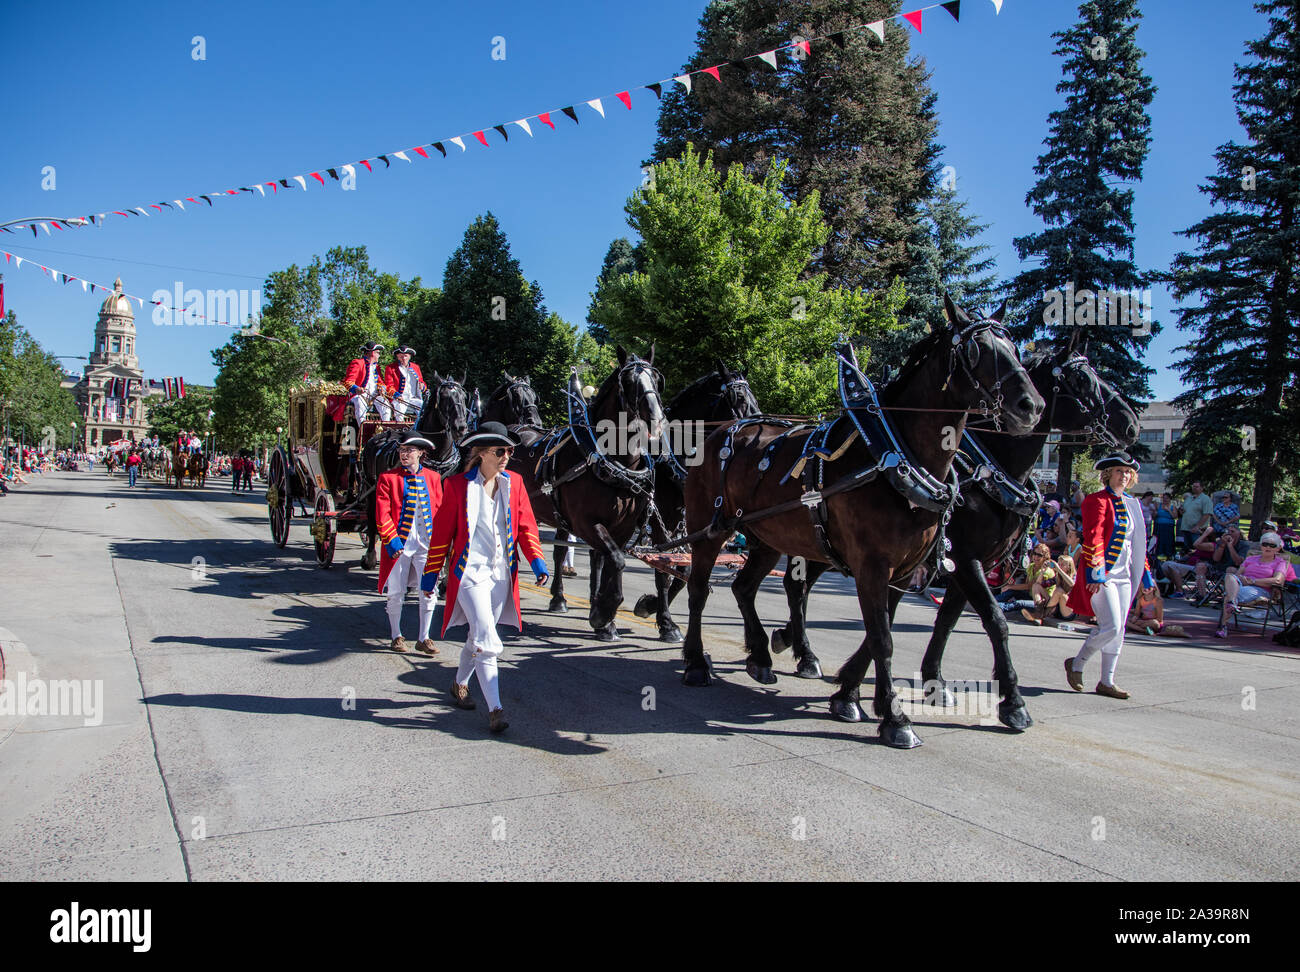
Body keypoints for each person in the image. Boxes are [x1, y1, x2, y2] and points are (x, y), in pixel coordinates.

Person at [422, 421, 548, 734]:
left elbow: (526, 527)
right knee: (487, 640)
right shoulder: (456, 486)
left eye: (509, 450)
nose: (506, 455)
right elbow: (442, 534)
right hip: (468, 572)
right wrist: (430, 574)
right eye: (500, 450)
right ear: (482, 454)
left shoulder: (515, 483)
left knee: (477, 636)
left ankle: (458, 684)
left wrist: (537, 561)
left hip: (501, 573)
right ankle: (496, 709)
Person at [1064, 453, 1155, 700]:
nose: (1123, 476)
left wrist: (1146, 578)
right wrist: (1095, 573)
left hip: (1126, 575)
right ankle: (1078, 663)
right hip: (1103, 574)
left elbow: (1138, 545)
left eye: (1127, 472)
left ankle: (1107, 681)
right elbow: (1092, 537)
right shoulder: (1096, 500)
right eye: (1118, 471)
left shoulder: (1132, 503)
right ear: (1108, 474)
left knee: (1119, 629)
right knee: (1112, 626)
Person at [375, 429, 444, 655]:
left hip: (426, 544)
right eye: (402, 450)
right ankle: (396, 635)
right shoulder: (388, 478)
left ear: (421, 453)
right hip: (399, 545)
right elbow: (382, 514)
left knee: (429, 590)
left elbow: (439, 511)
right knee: (396, 592)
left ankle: (424, 637)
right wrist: (392, 541)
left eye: (409, 450)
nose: (404, 454)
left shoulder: (433, 478)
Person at [1216, 531, 1290, 638]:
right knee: (1229, 576)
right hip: (1242, 585)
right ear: (1261, 546)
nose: (1268, 547)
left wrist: (1253, 581)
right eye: (1265, 544)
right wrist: (1242, 579)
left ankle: (1223, 626)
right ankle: (1232, 603)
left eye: (1272, 545)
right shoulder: (1250, 559)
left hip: (1261, 590)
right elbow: (1237, 575)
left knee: (1229, 594)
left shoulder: (1280, 562)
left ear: (1277, 549)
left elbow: (1277, 580)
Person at [344, 341, 392, 427]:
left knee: (386, 405)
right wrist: (357, 389)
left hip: (374, 396)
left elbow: (381, 383)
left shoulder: (376, 367)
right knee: (360, 403)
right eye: (377, 353)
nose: (379, 355)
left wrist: (382, 389)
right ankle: (363, 431)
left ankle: (386, 430)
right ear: (371, 352)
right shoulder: (358, 363)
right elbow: (348, 382)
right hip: (359, 395)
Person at [384, 346, 427, 420]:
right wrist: (397, 395)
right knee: (399, 410)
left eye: (405, 356)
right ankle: (401, 429)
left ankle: (420, 429)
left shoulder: (415, 367)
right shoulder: (390, 368)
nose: (403, 358)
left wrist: (422, 386)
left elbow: (421, 382)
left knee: (423, 407)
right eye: (401, 356)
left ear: (409, 356)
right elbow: (389, 386)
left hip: (413, 398)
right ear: (397, 357)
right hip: (399, 398)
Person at [1176, 481, 1213, 549]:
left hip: (1197, 530)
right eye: (1193, 486)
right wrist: (1181, 511)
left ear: (1201, 488)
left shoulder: (1205, 499)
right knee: (1188, 549)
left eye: (1197, 487)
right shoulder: (1189, 498)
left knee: (1197, 549)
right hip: (1186, 528)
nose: (1194, 488)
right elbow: (1183, 512)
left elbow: (1207, 514)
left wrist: (1197, 526)